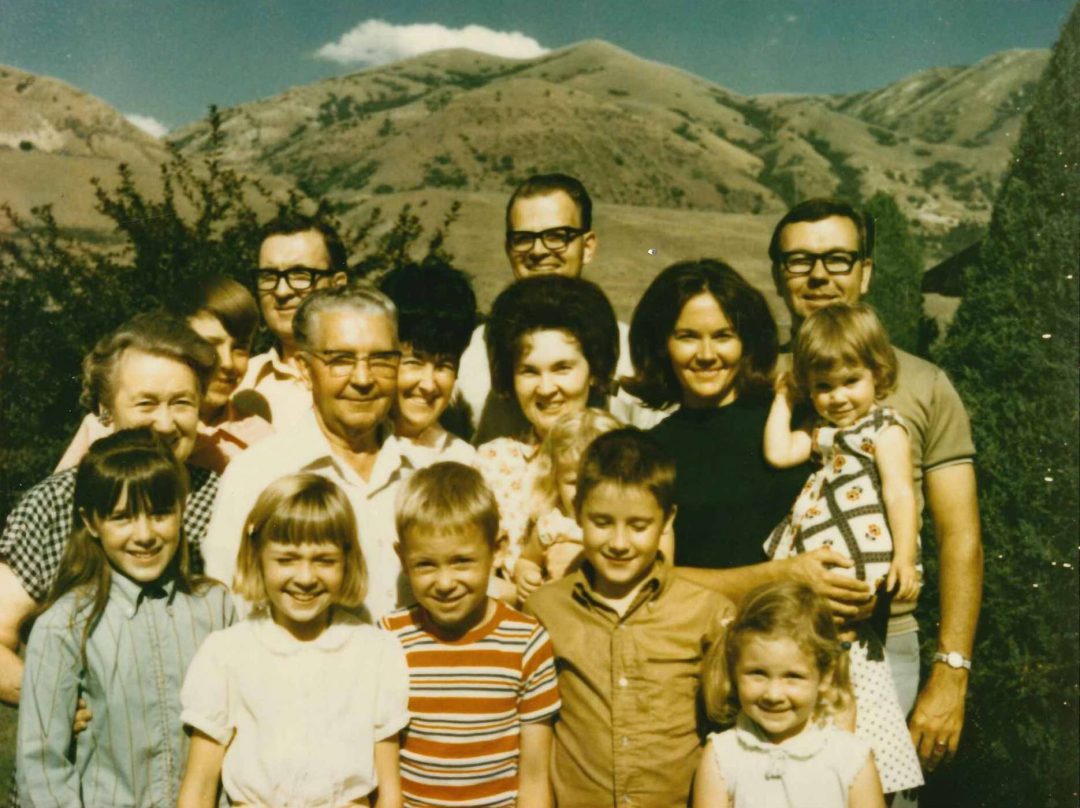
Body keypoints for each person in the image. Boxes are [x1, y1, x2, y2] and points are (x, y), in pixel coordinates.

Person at [769, 199, 982, 777]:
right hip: (769, 648)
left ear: (865, 270)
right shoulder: (760, 380)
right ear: (778, 275)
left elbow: (959, 536)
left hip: (885, 643)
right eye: (799, 262)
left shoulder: (922, 384)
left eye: (837, 258)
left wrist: (952, 671)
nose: (819, 275)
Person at [0, 312, 220, 707]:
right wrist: (59, 705)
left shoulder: (228, 499)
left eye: (182, 403)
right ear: (106, 410)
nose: (165, 423)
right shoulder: (55, 504)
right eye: (146, 404)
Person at [17, 429, 234, 808]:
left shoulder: (216, 607)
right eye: (121, 518)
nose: (145, 534)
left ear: (182, 509)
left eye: (160, 513)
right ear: (91, 523)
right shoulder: (63, 626)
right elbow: (42, 768)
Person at [761, 305, 924, 796]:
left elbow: (899, 491)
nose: (837, 398)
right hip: (820, 551)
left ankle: (852, 755)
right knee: (817, 645)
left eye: (851, 381)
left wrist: (905, 557)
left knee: (850, 648)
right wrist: (783, 398)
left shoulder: (885, 429)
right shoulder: (827, 434)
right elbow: (778, 451)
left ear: (879, 373)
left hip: (862, 547)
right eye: (823, 387)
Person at [525, 428, 735, 808]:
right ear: (577, 513)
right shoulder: (543, 611)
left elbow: (732, 738)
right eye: (602, 522)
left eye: (638, 526)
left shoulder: (708, 613)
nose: (619, 543)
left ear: (667, 519)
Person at [177, 473, 409, 808]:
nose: (305, 578)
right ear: (257, 555)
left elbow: (389, 793)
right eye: (286, 559)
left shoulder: (374, 652)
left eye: (324, 560)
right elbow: (198, 790)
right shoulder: (228, 653)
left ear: (347, 559)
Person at [202, 283, 413, 622]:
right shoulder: (257, 475)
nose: (363, 378)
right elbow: (230, 608)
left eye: (380, 360)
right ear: (303, 367)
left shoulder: (423, 472)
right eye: (341, 360)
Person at [381, 462, 560, 808]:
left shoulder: (527, 642)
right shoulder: (389, 639)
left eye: (462, 561)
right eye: (426, 565)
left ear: (497, 549)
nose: (445, 583)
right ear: (402, 559)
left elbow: (535, 777)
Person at [626, 259, 815, 575]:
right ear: (662, 345)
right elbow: (658, 581)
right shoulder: (650, 452)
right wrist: (777, 576)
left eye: (723, 336)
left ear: (747, 341)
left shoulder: (795, 418)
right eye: (687, 336)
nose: (706, 355)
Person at [455, 173, 662, 443]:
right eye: (523, 238)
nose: (539, 250)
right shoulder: (477, 351)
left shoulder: (630, 352)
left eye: (556, 236)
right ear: (508, 248)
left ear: (587, 247)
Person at [475, 274, 619, 585]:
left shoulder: (626, 455)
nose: (546, 388)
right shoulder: (493, 464)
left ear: (593, 371)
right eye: (529, 371)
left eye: (562, 368)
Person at [693, 582, 885, 808]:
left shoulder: (851, 758)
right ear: (735, 671)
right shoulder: (723, 755)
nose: (773, 694)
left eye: (792, 676)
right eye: (758, 673)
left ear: (824, 676)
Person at [55, 276, 273, 474]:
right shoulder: (103, 427)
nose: (226, 362)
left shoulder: (257, 438)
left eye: (240, 348)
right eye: (209, 345)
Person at [237, 213, 349, 428]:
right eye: (269, 276)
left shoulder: (374, 379)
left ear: (338, 285)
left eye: (300, 275)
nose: (281, 291)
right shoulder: (239, 385)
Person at [511, 408, 624, 604]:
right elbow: (527, 559)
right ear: (555, 480)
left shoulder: (623, 526)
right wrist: (526, 575)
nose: (583, 492)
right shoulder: (553, 525)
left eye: (594, 481)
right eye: (573, 482)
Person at [377, 260, 478, 467]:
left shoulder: (464, 461)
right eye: (414, 361)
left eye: (444, 366)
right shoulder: (353, 448)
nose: (428, 385)